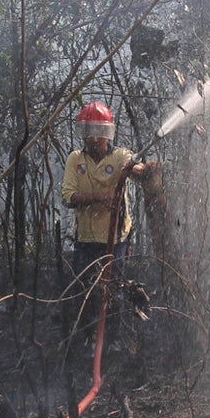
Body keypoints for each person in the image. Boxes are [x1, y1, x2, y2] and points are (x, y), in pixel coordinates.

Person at [61, 101, 165, 334]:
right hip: (86, 241)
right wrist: (100, 198)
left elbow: (134, 169)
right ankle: (87, 337)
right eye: (88, 132)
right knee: (85, 292)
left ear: (108, 133)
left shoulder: (119, 156)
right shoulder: (75, 159)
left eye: (99, 132)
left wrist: (144, 170)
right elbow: (68, 196)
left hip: (115, 241)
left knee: (114, 291)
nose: (94, 139)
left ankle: (113, 338)